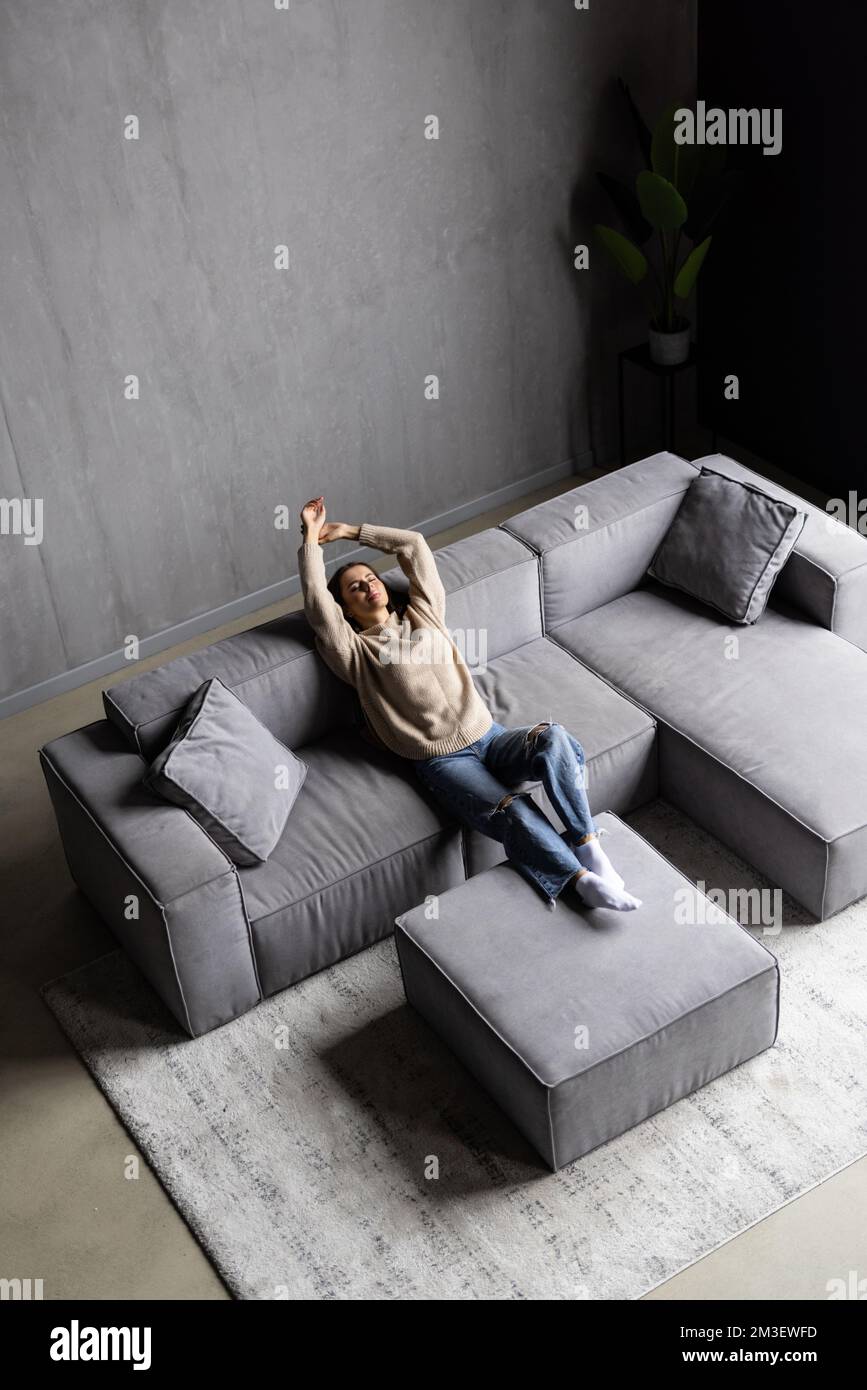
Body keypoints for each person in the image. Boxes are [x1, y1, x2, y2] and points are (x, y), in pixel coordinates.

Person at [297, 495, 641, 912]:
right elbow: (317, 602)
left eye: (370, 578)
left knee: (554, 738)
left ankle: (587, 845)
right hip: (443, 762)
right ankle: (581, 882)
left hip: (490, 735)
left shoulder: (424, 612)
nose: (368, 585)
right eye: (355, 587)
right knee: (509, 810)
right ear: (347, 611)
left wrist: (351, 531)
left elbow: (413, 546)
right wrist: (312, 539)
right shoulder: (354, 653)